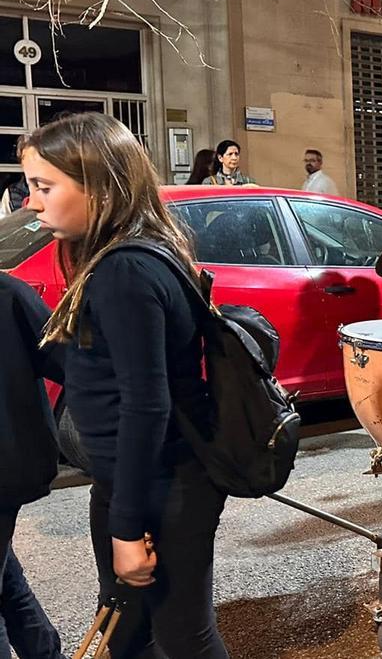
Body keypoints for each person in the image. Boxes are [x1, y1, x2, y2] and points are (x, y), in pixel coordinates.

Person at [22, 111, 230, 656]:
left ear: (100, 187)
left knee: (181, 635)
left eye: (44, 186)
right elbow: (102, 375)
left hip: (161, 488)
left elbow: (145, 405)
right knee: (129, 630)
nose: (32, 202)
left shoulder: (125, 271)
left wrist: (126, 529)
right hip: (143, 484)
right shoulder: (128, 256)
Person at [0, 272, 66, 659]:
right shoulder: (10, 294)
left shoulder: (9, 295)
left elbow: (68, 361)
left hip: (6, 470)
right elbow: (67, 362)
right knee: (8, 580)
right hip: (10, 467)